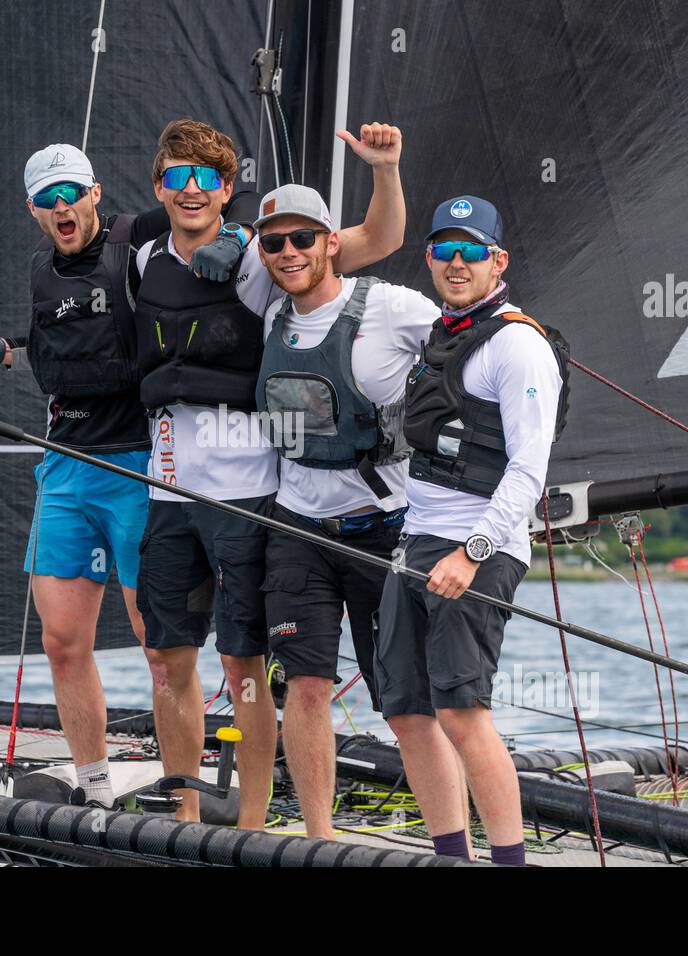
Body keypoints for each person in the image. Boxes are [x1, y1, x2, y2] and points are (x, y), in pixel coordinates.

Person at [0, 143, 256, 807]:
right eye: (46, 198)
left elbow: (207, 209)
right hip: (66, 465)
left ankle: (184, 807)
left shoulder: (134, 235)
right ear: (32, 209)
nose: (62, 207)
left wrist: (235, 236)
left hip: (141, 465)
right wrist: (2, 352)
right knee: (62, 643)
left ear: (94, 193)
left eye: (71, 193)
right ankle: (93, 790)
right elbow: (66, 356)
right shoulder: (42, 271)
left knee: (161, 648)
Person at [131, 118, 406, 828]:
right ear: (158, 185)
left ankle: (251, 827)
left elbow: (374, 242)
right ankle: (186, 820)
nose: (191, 191)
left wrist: (382, 170)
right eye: (176, 178)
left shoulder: (263, 255)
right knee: (166, 659)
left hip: (248, 496)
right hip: (170, 493)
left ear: (227, 190)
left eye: (207, 180)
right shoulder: (143, 257)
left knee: (242, 666)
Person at [376, 195, 569, 863]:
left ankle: (509, 861)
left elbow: (529, 468)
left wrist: (472, 551)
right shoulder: (444, 333)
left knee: (461, 710)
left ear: (499, 260)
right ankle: (451, 857)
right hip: (418, 541)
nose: (457, 263)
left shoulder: (518, 344)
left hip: (479, 547)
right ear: (429, 256)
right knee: (405, 708)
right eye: (444, 250)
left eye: (472, 251)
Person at [252, 183, 442, 840]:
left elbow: (477, 353)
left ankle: (454, 847)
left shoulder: (392, 308)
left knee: (404, 703)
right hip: (296, 529)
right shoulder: (264, 313)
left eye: (303, 238)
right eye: (273, 242)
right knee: (302, 687)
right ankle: (319, 842)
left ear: (333, 243)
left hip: (386, 532)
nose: (288, 251)